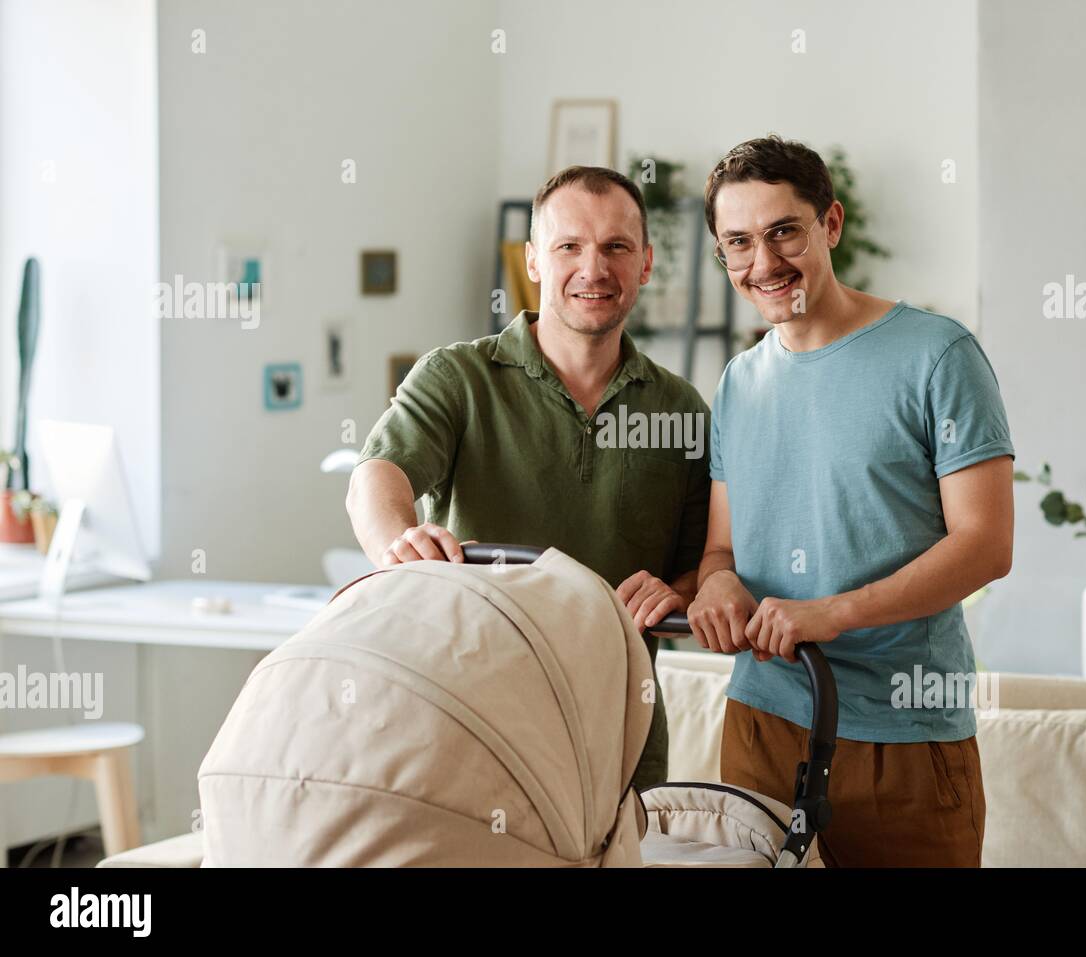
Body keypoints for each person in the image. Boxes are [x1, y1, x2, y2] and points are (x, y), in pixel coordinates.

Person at [687, 135, 1015, 866]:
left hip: (904, 731)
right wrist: (717, 584)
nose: (763, 264)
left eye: (784, 232)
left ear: (830, 224)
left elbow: (986, 545)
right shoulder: (739, 382)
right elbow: (721, 549)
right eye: (737, 243)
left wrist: (832, 612)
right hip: (762, 724)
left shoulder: (937, 354)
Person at [347, 166, 711, 790]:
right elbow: (377, 476)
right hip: (467, 714)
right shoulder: (456, 378)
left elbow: (707, 561)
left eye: (616, 247)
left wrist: (679, 591)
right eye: (569, 245)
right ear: (534, 260)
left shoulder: (682, 410)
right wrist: (396, 542)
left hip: (618, 734)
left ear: (646, 264)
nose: (593, 269)